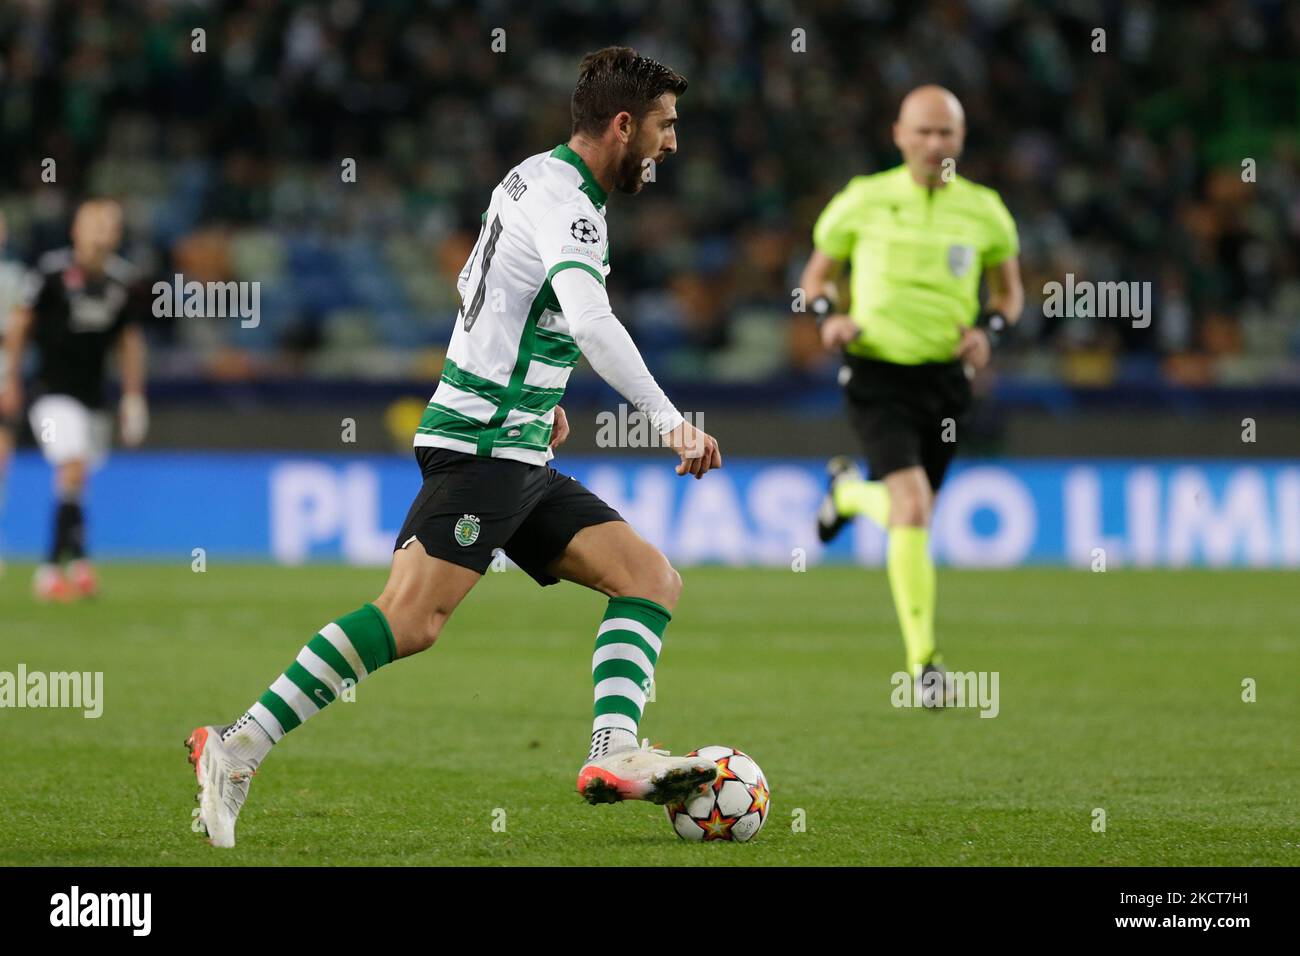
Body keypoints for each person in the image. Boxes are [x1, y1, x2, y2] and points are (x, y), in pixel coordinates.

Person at [185, 47, 724, 848]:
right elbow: (588, 319)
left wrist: (540, 396)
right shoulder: (572, 207)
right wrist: (667, 419)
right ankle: (237, 748)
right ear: (623, 125)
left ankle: (616, 752)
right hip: (482, 447)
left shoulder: (528, 177)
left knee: (649, 578)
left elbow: (486, 293)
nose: (671, 144)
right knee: (411, 620)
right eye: (664, 126)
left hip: (515, 446)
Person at [799, 86, 1024, 705]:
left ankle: (846, 492)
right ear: (898, 134)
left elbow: (1009, 296)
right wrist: (828, 317)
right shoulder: (863, 200)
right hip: (877, 371)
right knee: (914, 505)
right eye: (923, 132)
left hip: (947, 382)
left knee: (912, 515)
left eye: (945, 134)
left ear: (961, 139)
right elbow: (816, 279)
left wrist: (991, 332)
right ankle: (926, 665)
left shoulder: (985, 212)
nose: (934, 144)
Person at [0, 199, 149, 600]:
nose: (103, 230)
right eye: (94, 223)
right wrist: (11, 377)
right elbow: (21, 323)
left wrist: (134, 397)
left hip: (94, 397)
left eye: (110, 224)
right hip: (51, 393)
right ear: (76, 230)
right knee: (73, 465)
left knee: (76, 483)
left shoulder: (124, 281)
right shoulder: (50, 273)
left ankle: (79, 563)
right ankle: (50, 571)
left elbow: (129, 342)